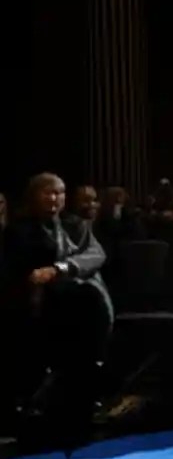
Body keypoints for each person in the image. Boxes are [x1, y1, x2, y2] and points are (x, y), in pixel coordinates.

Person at [2, 173, 114, 436]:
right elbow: (13, 273)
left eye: (59, 193)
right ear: (33, 196)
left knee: (89, 299)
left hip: (79, 304)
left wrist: (61, 269)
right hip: (36, 304)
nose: (54, 198)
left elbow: (96, 254)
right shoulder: (18, 231)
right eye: (47, 192)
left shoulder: (74, 224)